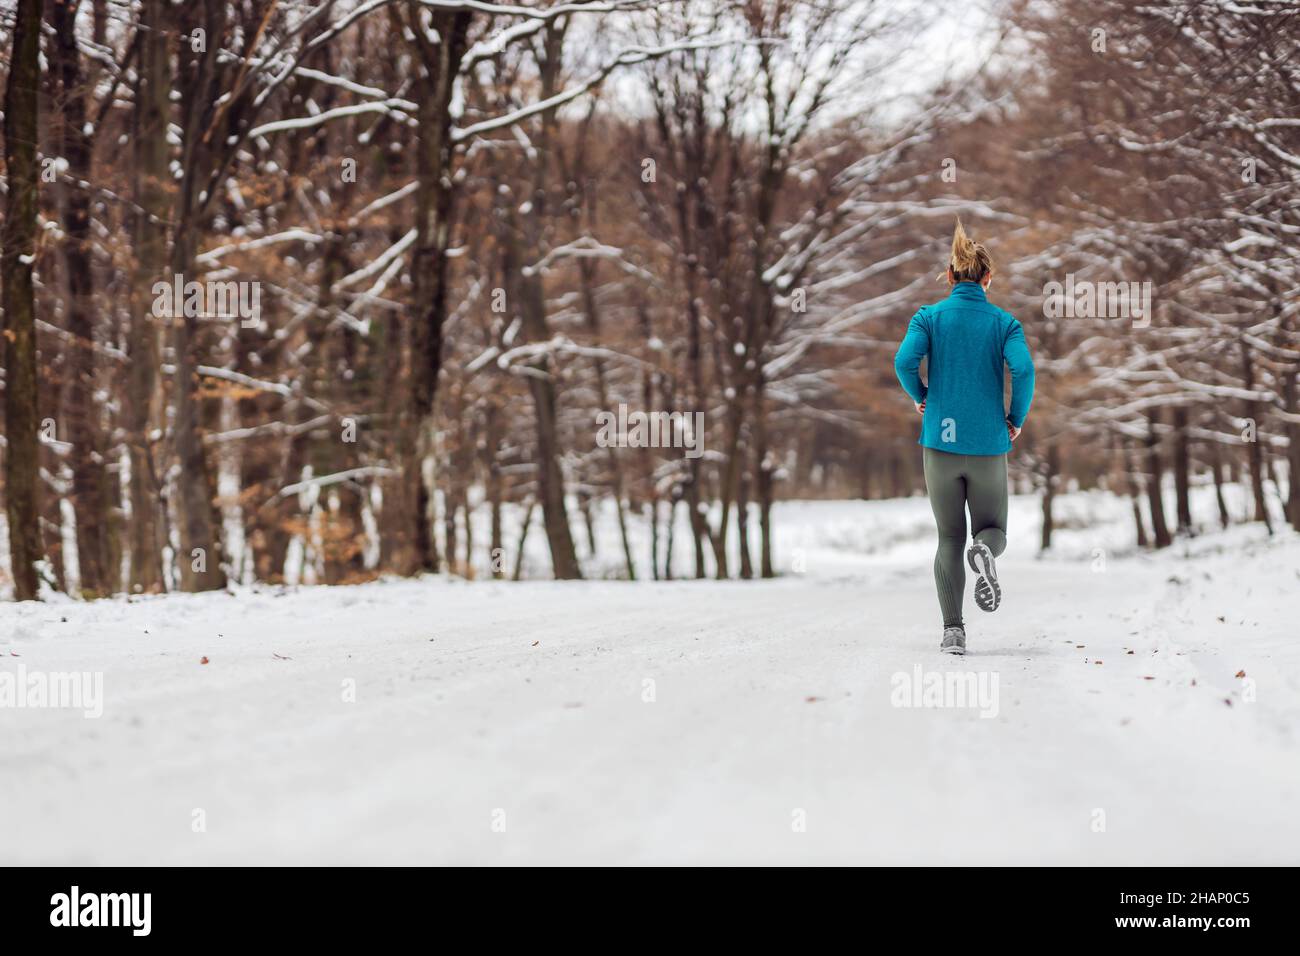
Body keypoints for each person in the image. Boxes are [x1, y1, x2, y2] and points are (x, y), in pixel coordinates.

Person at [893, 219, 1035, 655]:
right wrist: (1015, 417)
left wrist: (923, 396)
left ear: (951, 276)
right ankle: (985, 551)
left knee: (948, 538)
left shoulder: (929, 317)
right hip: (989, 443)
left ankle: (953, 631)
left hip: (940, 443)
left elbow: (903, 362)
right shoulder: (1004, 323)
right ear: (988, 278)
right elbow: (1024, 370)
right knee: (993, 530)